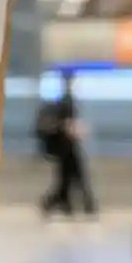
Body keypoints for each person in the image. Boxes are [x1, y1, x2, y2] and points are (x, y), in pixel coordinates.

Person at [39, 71, 98, 217]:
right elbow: (66, 124)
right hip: (67, 147)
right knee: (75, 177)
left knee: (68, 178)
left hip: (65, 147)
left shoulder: (63, 101)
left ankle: (65, 204)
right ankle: (83, 205)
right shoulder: (67, 102)